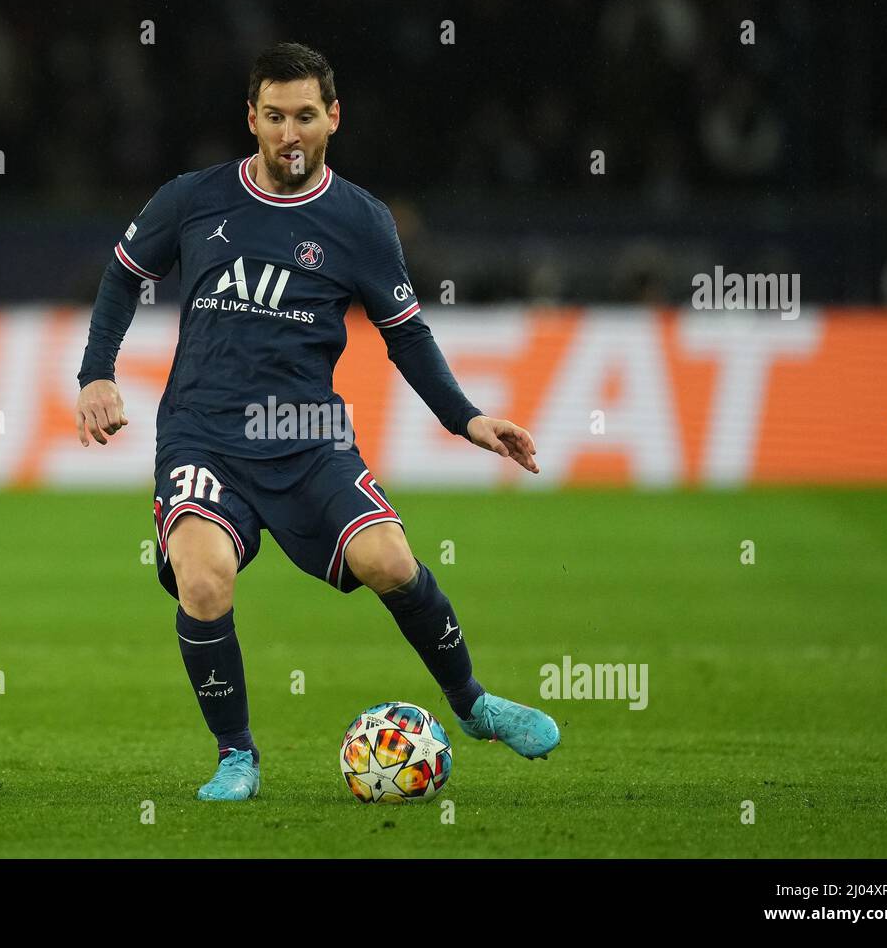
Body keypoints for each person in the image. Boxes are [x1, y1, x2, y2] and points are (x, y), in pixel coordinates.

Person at [75, 42, 559, 801]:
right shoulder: (192, 199)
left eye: (305, 115)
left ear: (333, 117)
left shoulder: (360, 221)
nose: (289, 133)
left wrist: (467, 420)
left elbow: (406, 335)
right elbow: (122, 276)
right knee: (203, 582)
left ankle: (473, 704)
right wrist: (96, 373)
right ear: (252, 119)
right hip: (203, 435)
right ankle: (237, 755)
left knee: (390, 562)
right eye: (274, 116)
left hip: (303, 434)